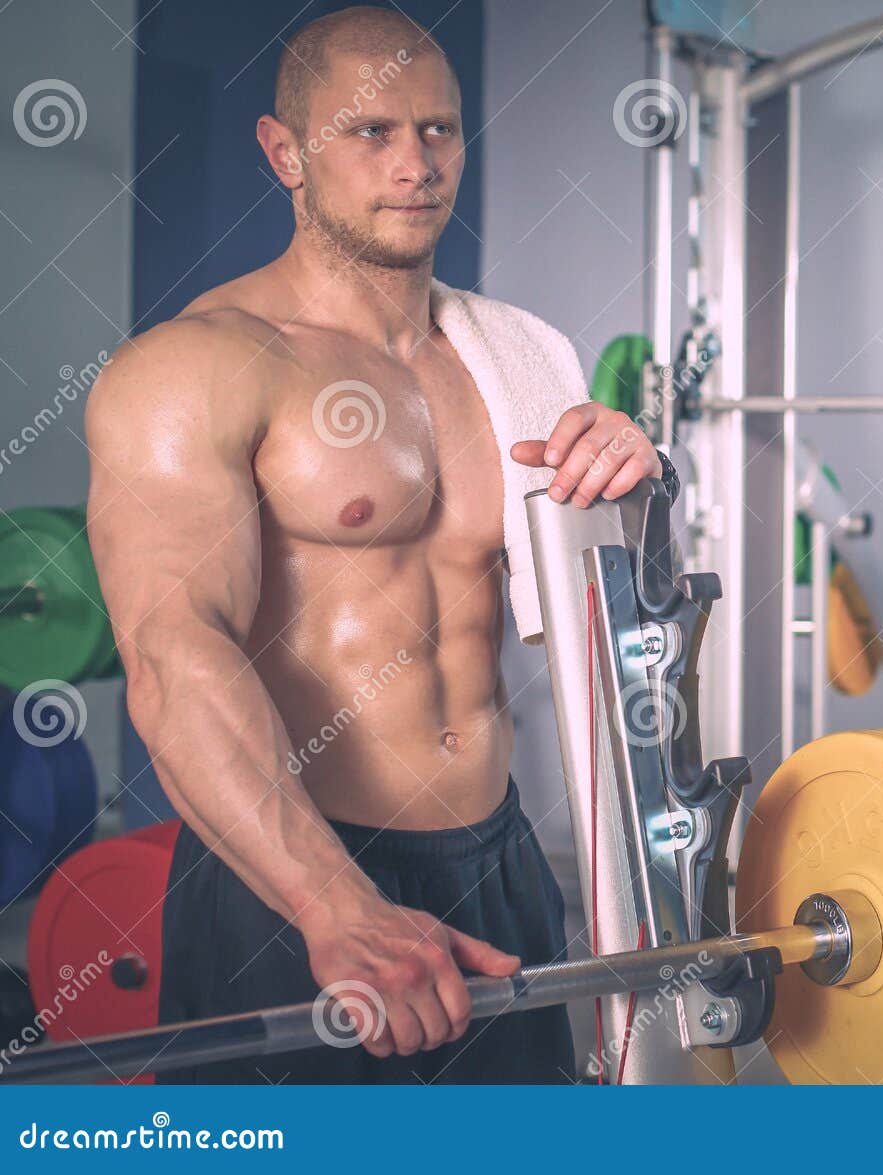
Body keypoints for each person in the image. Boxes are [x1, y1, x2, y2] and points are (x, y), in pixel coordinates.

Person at [84, 6, 659, 1083]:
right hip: (296, 880)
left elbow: (606, 603)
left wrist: (630, 474)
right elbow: (172, 656)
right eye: (371, 132)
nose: (415, 163)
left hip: (498, 855)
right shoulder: (198, 365)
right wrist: (334, 904)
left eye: (438, 130)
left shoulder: (517, 355)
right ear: (283, 151)